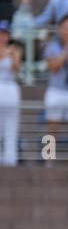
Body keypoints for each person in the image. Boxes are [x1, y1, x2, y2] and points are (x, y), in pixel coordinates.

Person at [0, 20, 20, 167]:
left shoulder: (15, 49)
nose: (2, 37)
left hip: (10, 88)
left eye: (5, 34)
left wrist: (10, 54)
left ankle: (10, 158)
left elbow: (16, 68)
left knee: (11, 125)